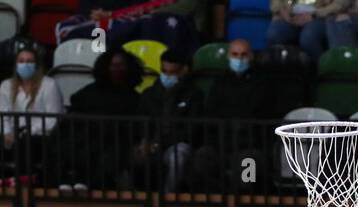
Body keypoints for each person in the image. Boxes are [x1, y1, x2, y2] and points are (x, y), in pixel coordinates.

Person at [191, 40, 274, 194]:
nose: (239, 59)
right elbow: (211, 114)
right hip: (221, 144)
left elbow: (264, 117)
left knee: (248, 168)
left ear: (251, 56)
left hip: (250, 146)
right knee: (202, 158)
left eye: (243, 55)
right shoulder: (220, 82)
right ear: (229, 56)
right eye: (235, 54)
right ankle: (214, 205)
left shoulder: (263, 83)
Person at [62, 50, 143, 191]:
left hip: (117, 142)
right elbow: (75, 110)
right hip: (85, 138)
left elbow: (136, 127)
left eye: (121, 65)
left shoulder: (134, 97)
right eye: (113, 65)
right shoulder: (89, 92)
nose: (117, 69)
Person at [131, 50, 201, 193]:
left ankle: (166, 197)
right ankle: (139, 198)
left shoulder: (194, 95)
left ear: (184, 71)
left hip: (177, 144)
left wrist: (159, 143)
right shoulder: (149, 94)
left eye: (172, 72)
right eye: (164, 71)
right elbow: (140, 123)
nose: (167, 76)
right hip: (151, 143)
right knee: (134, 155)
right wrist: (145, 142)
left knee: (178, 156)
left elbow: (192, 129)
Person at [0, 45, 63, 180]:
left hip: (41, 136)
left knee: (26, 142)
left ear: (36, 65)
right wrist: (7, 133)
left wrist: (28, 131)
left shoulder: (49, 85)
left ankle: (25, 182)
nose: (25, 64)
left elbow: (53, 119)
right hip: (12, 136)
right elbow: (1, 116)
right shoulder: (6, 85)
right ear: (15, 65)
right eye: (21, 61)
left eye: (29, 61)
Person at [266, 0, 353, 61]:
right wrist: (282, 12)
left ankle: (322, 71)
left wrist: (315, 14)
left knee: (309, 37)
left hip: (321, 16)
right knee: (274, 34)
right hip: (291, 16)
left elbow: (341, 3)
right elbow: (277, 2)